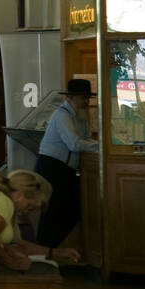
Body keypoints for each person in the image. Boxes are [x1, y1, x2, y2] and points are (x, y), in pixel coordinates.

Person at [0, 174, 81, 275]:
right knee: (46, 272)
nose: (25, 212)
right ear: (18, 195)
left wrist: (53, 252)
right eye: (29, 206)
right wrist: (12, 263)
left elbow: (11, 243)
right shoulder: (4, 202)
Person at [35, 79, 99, 249]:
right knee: (52, 212)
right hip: (51, 167)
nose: (86, 102)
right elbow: (74, 144)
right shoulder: (62, 115)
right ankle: (44, 251)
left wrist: (92, 142)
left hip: (65, 169)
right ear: (71, 97)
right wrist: (99, 146)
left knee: (73, 210)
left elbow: (85, 139)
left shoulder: (79, 116)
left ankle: (50, 248)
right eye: (83, 98)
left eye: (88, 98)